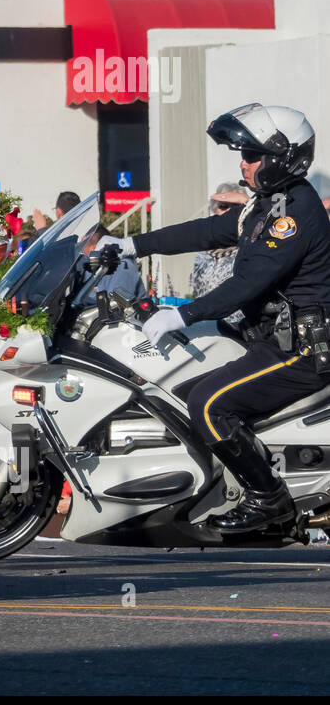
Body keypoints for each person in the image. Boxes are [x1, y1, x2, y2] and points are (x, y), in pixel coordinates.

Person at [120, 103, 330, 533]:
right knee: (180, 383)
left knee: (209, 402)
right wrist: (130, 245)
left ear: (279, 158)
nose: (243, 163)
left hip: (302, 347)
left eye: (252, 156)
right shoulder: (268, 204)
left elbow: (249, 283)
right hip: (265, 333)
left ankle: (268, 500)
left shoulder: (293, 214)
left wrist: (185, 314)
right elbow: (207, 231)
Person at [190, 183, 250, 313]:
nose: (229, 211)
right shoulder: (203, 251)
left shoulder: (248, 245)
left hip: (238, 325)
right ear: (215, 209)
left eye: (235, 207)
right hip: (205, 321)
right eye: (223, 206)